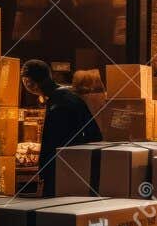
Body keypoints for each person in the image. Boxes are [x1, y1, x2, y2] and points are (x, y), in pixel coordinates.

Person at [23, 59, 102, 196]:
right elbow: (94, 134)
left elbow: (52, 143)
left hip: (61, 172)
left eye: (27, 82)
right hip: (68, 170)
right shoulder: (62, 98)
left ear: (31, 83)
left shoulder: (60, 101)